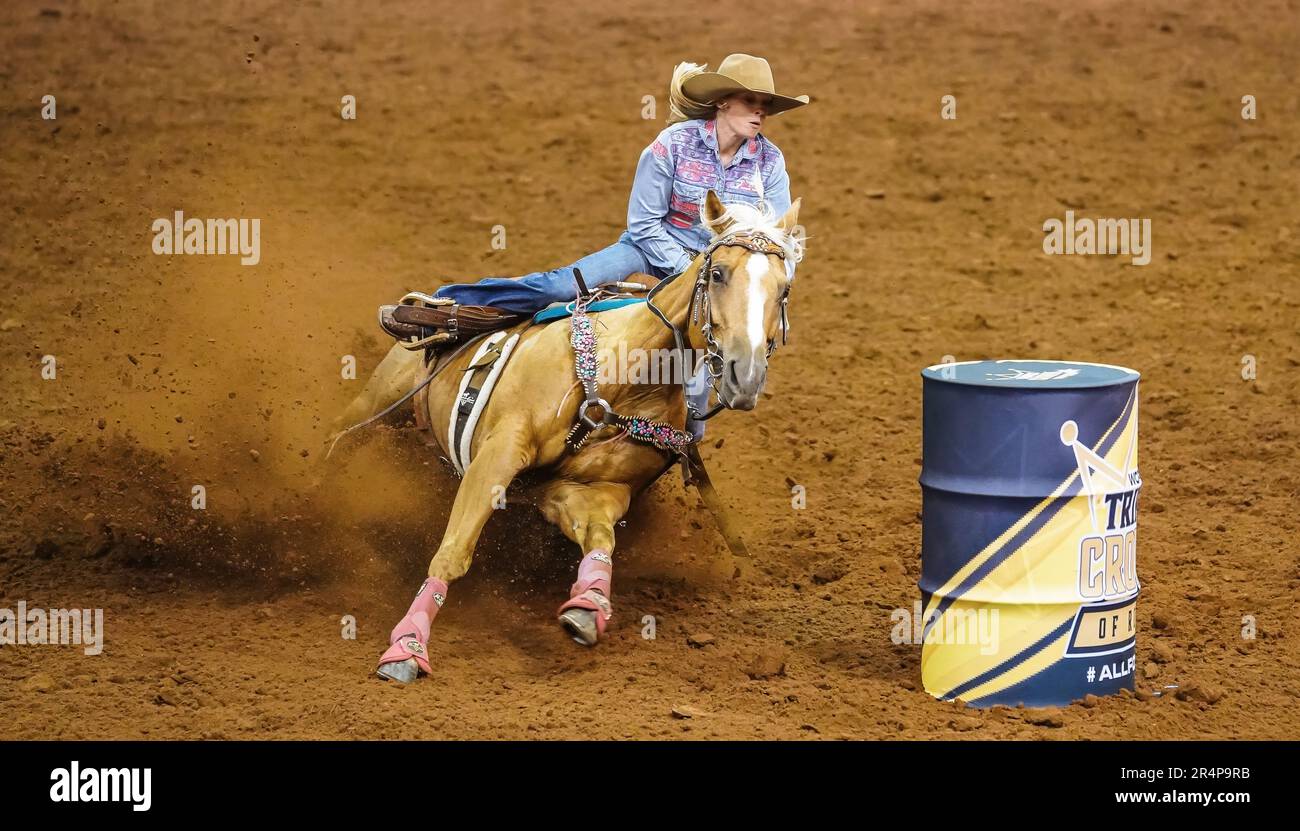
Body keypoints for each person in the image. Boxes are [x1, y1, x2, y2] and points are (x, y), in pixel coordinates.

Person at [430, 53, 810, 434]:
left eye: (765, 107)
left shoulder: (770, 163)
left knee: (694, 413)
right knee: (560, 286)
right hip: (649, 253)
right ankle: (450, 307)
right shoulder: (672, 145)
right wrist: (690, 271)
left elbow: (778, 241)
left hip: (716, 280)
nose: (759, 113)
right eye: (750, 102)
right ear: (723, 102)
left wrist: (762, 280)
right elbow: (643, 224)